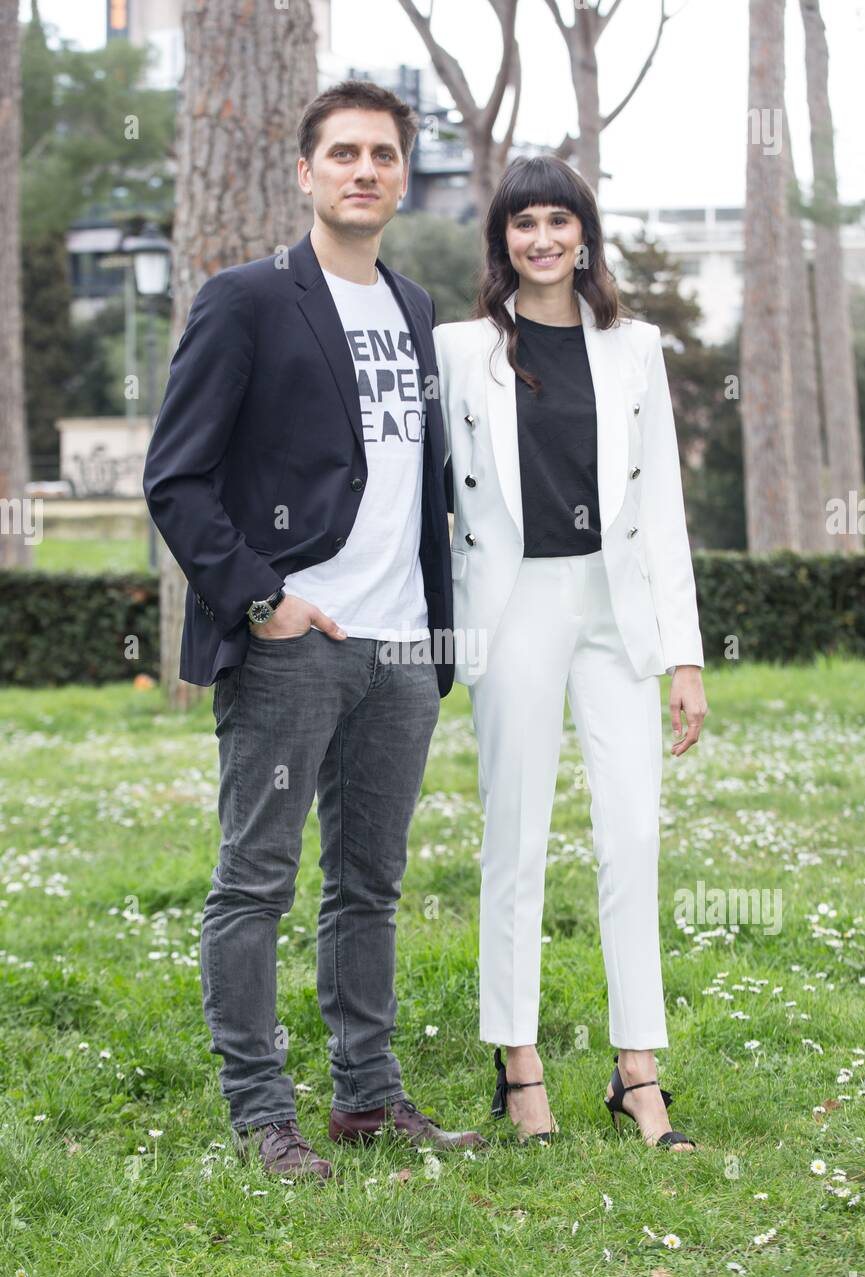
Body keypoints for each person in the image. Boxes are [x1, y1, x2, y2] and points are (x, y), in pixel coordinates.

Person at [143, 80, 485, 1181]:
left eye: (383, 154)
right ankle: (259, 1116)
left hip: (398, 650)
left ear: (399, 174)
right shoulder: (246, 300)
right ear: (304, 173)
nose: (364, 170)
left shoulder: (417, 308)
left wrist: (438, 630)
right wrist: (262, 599)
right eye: (342, 153)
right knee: (255, 881)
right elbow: (176, 478)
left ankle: (366, 1099)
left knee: (368, 886)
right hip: (297, 641)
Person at [433, 154, 707, 1151]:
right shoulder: (460, 349)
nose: (541, 239)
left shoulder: (634, 348)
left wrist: (683, 654)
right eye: (521, 223)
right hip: (513, 609)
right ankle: (517, 1064)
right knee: (516, 835)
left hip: (613, 606)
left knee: (629, 834)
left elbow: (664, 511)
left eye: (557, 220)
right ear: (500, 239)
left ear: (581, 234)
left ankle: (638, 1070)